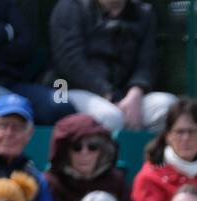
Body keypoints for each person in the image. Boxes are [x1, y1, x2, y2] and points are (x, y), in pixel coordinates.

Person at [49, 0, 177, 133]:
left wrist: (135, 92)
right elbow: (69, 63)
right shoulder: (70, 6)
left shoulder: (144, 12)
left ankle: (149, 153)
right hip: (72, 91)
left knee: (168, 107)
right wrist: (109, 94)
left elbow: (147, 61)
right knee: (111, 117)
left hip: (127, 96)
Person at [45, 113, 149, 201]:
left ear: (102, 150)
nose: (84, 153)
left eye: (92, 147)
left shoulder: (115, 180)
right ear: (66, 152)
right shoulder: (53, 183)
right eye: (77, 147)